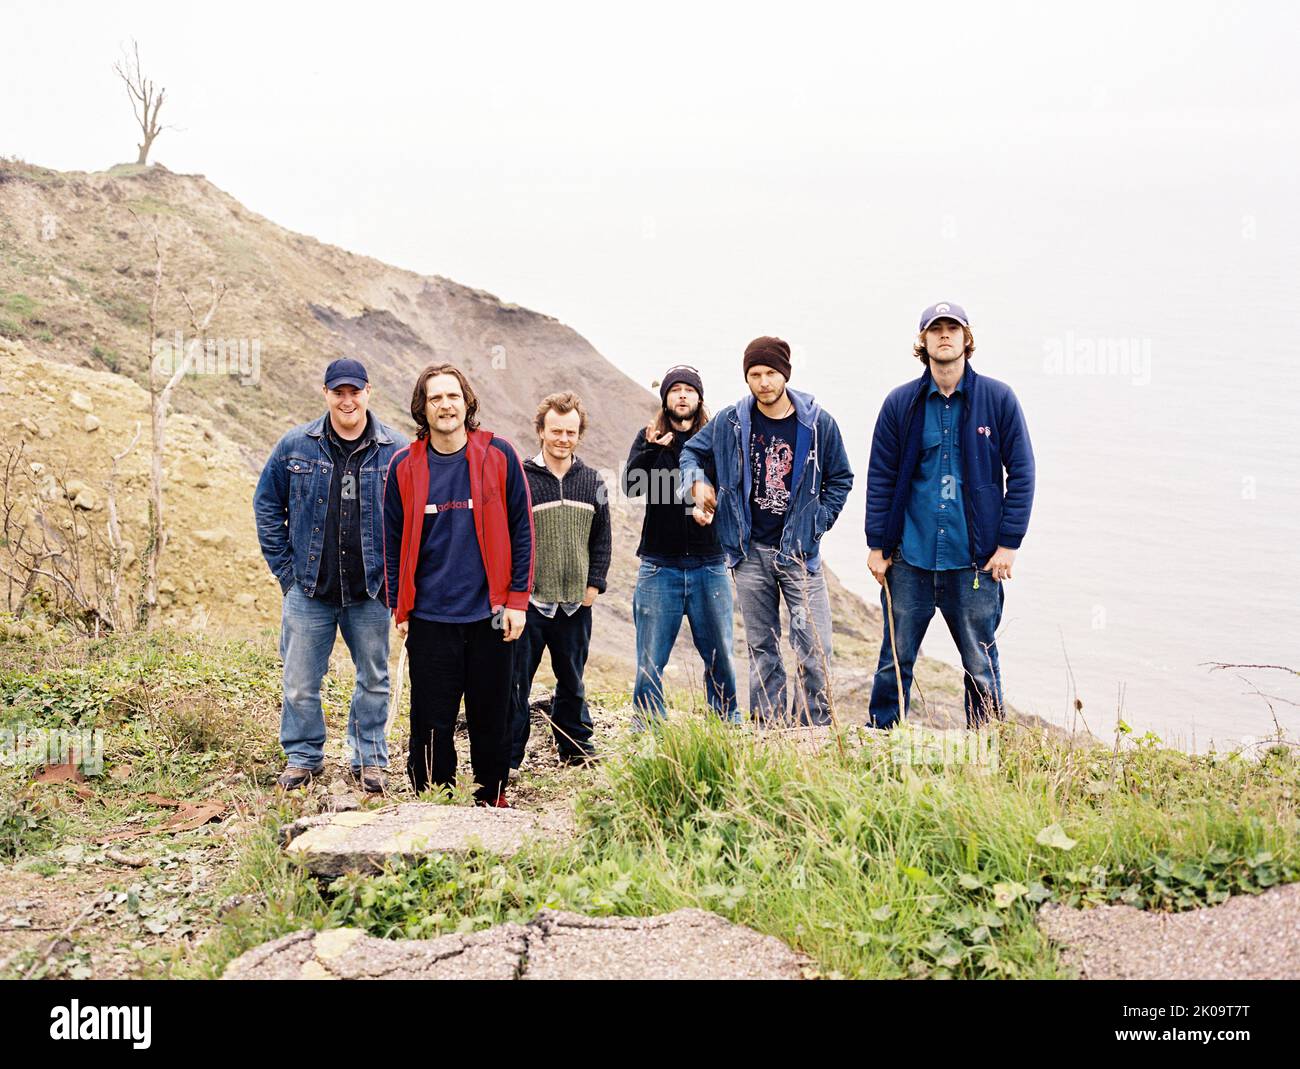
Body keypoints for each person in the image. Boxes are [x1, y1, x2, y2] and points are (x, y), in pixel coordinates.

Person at [865, 302, 1036, 728]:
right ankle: (881, 737)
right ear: (922, 341)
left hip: (974, 563)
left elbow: (1023, 472)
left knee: (980, 662)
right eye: (935, 329)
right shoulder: (900, 403)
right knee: (895, 660)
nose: (944, 335)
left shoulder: (998, 399)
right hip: (910, 560)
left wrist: (1008, 545)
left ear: (966, 339)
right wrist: (877, 546)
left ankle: (987, 744)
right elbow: (881, 477)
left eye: (952, 329)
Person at [679, 337, 854, 725]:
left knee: (815, 646)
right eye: (754, 374)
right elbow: (691, 452)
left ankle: (812, 732)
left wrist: (818, 522)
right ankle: (769, 729)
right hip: (748, 553)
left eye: (771, 373)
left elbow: (841, 477)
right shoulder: (730, 421)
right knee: (762, 646)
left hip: (798, 553)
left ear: (785, 375)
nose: (763, 382)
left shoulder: (818, 422)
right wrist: (695, 482)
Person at [253, 358, 407, 792]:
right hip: (309, 590)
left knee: (373, 680)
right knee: (300, 682)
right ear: (326, 394)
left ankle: (369, 759)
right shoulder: (294, 446)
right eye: (338, 392)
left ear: (367, 392)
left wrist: (397, 582)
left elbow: (410, 519)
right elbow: (266, 504)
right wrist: (286, 572)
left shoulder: (395, 450)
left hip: (371, 590)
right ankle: (303, 758)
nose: (347, 400)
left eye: (354, 391)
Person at [384, 363, 533, 806]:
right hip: (431, 618)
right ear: (422, 409)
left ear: (466, 402)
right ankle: (434, 803)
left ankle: (492, 797)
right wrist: (401, 607)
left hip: (490, 614)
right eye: (435, 399)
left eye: (452, 396)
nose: (445, 406)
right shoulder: (404, 466)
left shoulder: (499, 454)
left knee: (492, 716)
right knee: (431, 723)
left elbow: (523, 529)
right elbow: (392, 541)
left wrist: (518, 601)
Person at [623, 365, 739, 728]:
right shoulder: (651, 436)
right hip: (659, 566)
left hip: (710, 564)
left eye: (689, 390)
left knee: (720, 656)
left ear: (699, 398)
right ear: (666, 398)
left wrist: (710, 507)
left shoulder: (715, 440)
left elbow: (731, 490)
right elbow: (630, 487)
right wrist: (648, 451)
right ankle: (647, 729)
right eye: (676, 390)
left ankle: (725, 725)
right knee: (650, 658)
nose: (683, 396)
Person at [509, 392, 610, 773]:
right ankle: (509, 758)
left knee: (572, 680)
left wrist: (594, 584)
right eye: (556, 431)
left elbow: (602, 538)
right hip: (531, 603)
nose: (562, 438)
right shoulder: (520, 477)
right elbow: (509, 536)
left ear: (579, 434)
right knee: (517, 683)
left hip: (574, 604)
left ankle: (575, 749)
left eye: (570, 432)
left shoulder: (593, 481)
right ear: (541, 431)